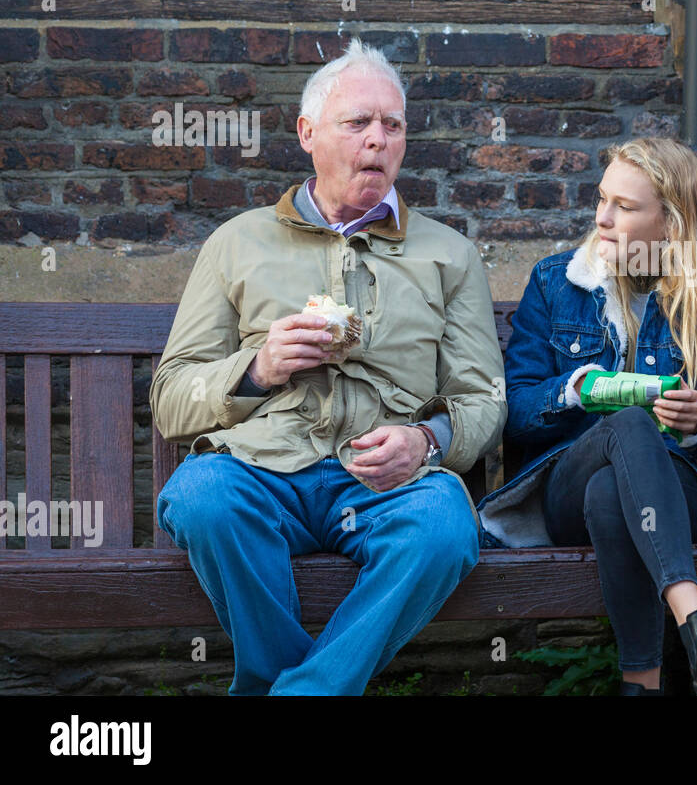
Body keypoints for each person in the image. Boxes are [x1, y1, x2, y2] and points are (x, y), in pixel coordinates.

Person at [150, 39, 506, 695]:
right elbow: (172, 398)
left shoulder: (449, 255)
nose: (378, 140)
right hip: (260, 473)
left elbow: (482, 394)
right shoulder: (237, 242)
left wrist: (427, 441)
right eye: (358, 123)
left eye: (392, 125)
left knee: (445, 525)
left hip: (380, 484)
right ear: (308, 134)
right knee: (200, 497)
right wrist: (256, 369)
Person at [478, 138, 697, 695]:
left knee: (612, 493)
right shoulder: (556, 282)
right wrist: (575, 390)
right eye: (602, 199)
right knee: (628, 423)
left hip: (682, 493)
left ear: (671, 222)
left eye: (625, 207)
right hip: (566, 487)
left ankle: (641, 684)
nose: (602, 218)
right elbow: (512, 414)